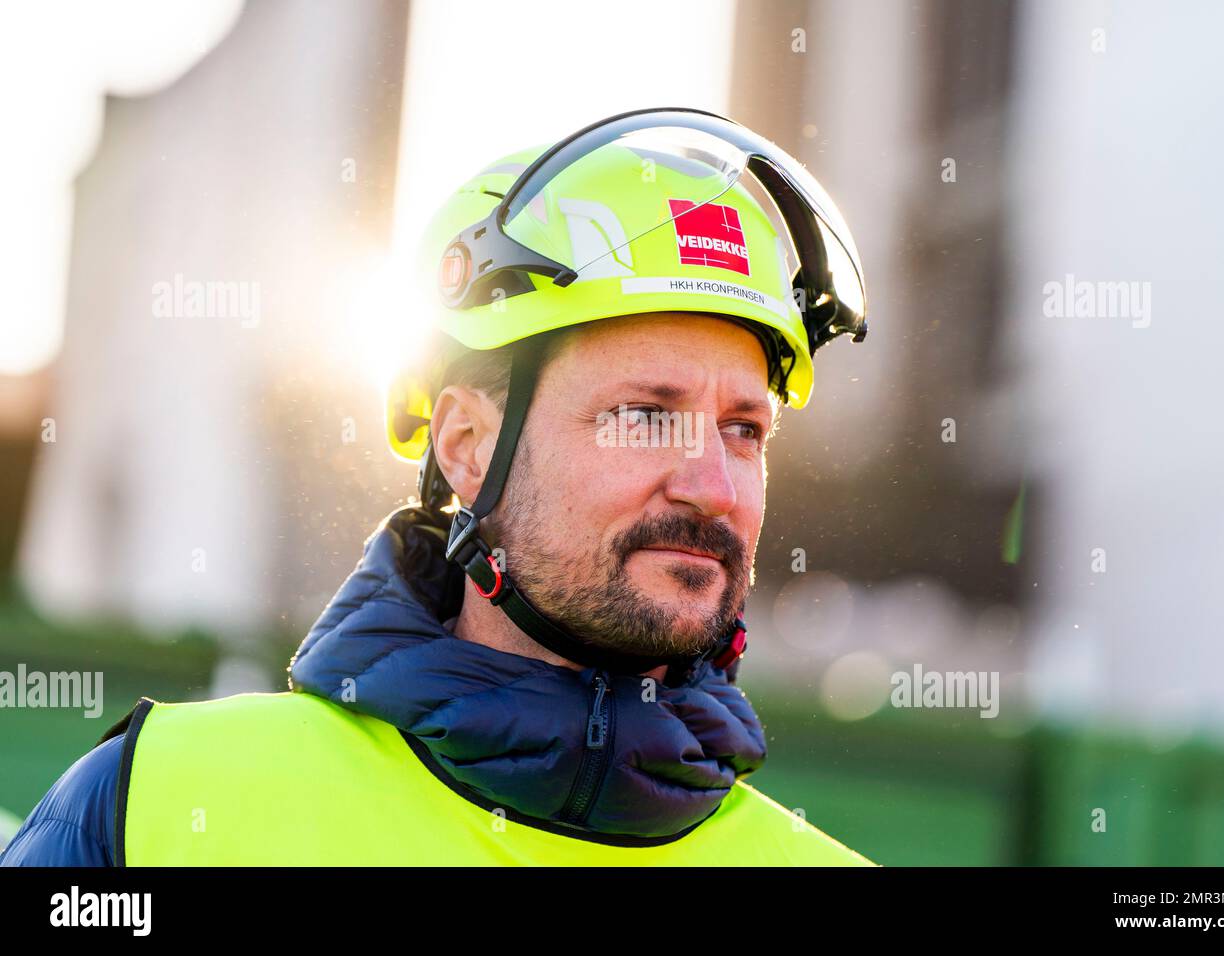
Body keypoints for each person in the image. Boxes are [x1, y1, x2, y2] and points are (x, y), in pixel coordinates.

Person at [1, 107, 875, 866]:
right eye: (646, 414)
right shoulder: (154, 806)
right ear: (466, 445)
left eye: (742, 430)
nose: (714, 487)